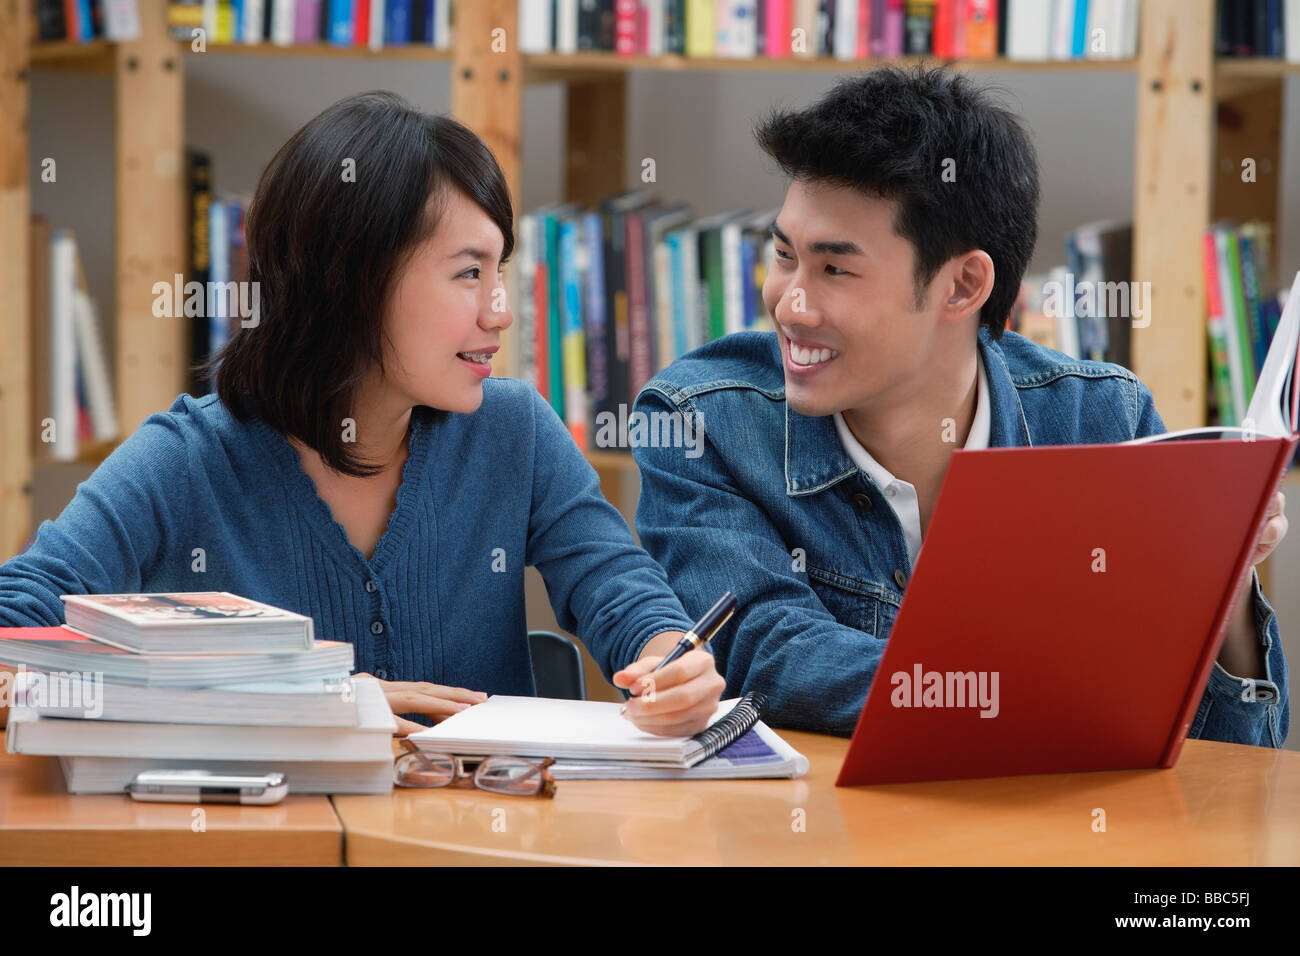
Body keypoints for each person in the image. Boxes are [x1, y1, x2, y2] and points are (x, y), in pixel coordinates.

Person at [0, 92, 724, 736]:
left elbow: (622, 594)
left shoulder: (515, 433)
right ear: (352, 282)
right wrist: (315, 697)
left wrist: (669, 659)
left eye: (500, 270)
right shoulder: (189, 459)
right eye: (469, 273)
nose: (501, 312)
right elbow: (13, 627)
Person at [632, 66, 1289, 746]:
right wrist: (1045, 688)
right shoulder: (700, 424)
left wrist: (1224, 584)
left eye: (834, 269)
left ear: (963, 285)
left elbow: (1235, 760)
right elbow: (769, 652)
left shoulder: (1103, 424)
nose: (790, 304)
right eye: (783, 255)